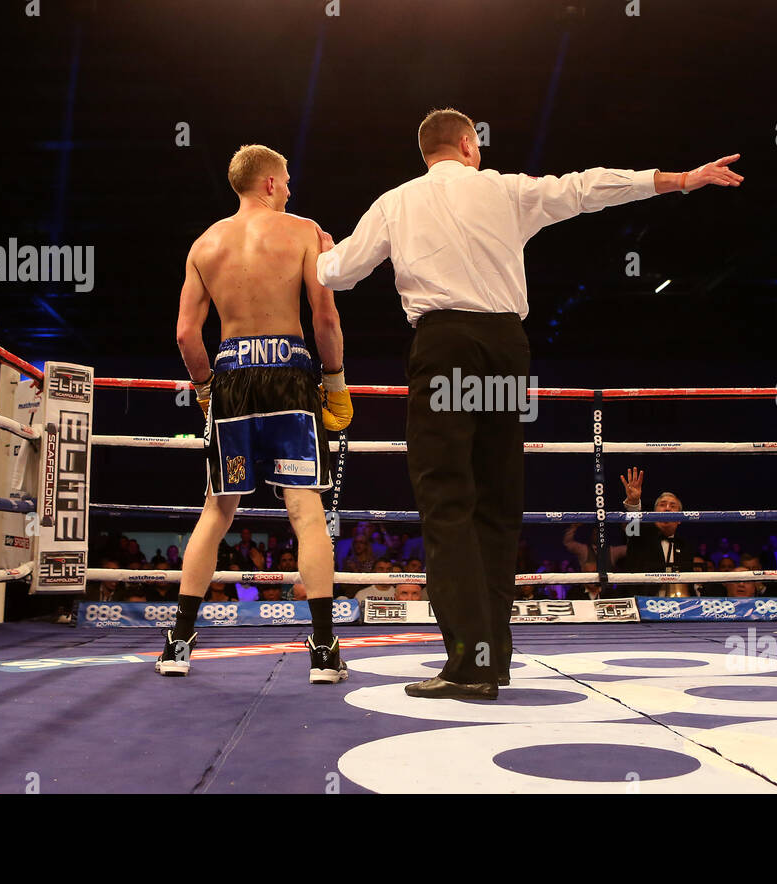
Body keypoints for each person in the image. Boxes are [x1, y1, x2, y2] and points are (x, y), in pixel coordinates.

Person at [316, 108, 742, 698]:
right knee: (497, 502)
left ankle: (468, 663)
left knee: (446, 504)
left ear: (427, 152)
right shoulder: (506, 190)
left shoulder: (396, 202)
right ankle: (493, 659)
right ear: (467, 145)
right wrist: (679, 179)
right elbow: (588, 187)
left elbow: (338, 274)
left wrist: (317, 250)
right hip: (505, 351)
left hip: (444, 347)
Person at [161, 144, 352, 684]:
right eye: (286, 179)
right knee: (306, 511)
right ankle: (321, 649)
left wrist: (204, 389)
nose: (290, 187)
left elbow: (184, 334)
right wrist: (334, 381)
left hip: (231, 377)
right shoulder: (303, 232)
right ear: (268, 184)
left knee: (217, 510)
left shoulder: (205, 244)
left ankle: (178, 643)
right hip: (289, 375)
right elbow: (325, 315)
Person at [618, 467, 695, 598]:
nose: (667, 509)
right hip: (643, 603)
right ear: (653, 514)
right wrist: (633, 502)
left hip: (677, 607)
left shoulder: (684, 546)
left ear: (680, 519)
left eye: (673, 506)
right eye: (663, 505)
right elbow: (631, 529)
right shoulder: (640, 535)